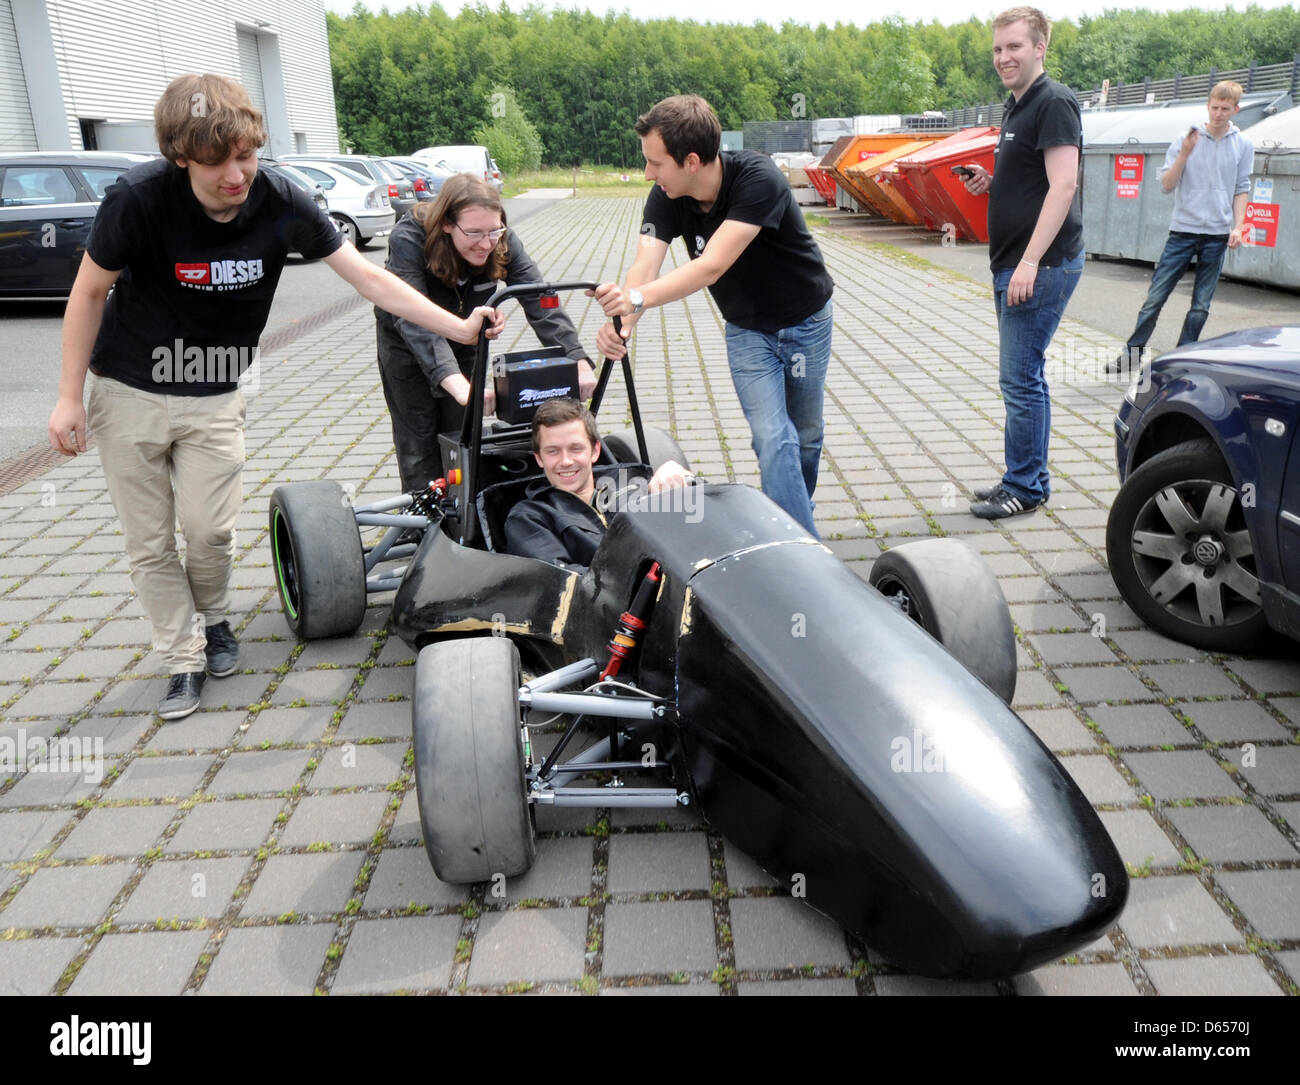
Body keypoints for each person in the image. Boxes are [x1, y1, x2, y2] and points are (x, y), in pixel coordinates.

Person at [46, 74, 501, 721]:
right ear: (182, 158)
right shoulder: (139, 200)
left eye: (247, 156)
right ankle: (181, 657)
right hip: (129, 391)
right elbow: (89, 294)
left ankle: (215, 617)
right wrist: (69, 397)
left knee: (207, 533)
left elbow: (368, 276)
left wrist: (457, 328)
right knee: (149, 542)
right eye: (218, 162)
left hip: (217, 391)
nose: (237, 174)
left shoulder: (280, 198)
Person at [590, 94, 834, 538]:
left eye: (655, 163)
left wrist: (637, 301)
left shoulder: (759, 179)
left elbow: (711, 266)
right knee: (774, 440)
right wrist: (620, 326)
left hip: (805, 322)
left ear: (692, 161)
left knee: (806, 438)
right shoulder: (666, 196)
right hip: (747, 331)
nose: (648, 174)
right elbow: (644, 267)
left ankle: (793, 507)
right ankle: (802, 548)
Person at [377, 174, 597, 492]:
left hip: (467, 339)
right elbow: (413, 320)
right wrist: (460, 387)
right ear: (447, 224)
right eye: (475, 233)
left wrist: (576, 358)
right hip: (406, 343)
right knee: (419, 441)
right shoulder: (409, 238)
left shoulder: (499, 239)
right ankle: (423, 525)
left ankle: (466, 512)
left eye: (494, 230)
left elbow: (540, 298)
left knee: (463, 434)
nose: (486, 243)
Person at [959, 6, 1084, 520]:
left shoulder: (1053, 103)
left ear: (1040, 47)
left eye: (1014, 46)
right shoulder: (1018, 107)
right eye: (997, 48)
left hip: (1040, 265)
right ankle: (1026, 476)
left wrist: (1031, 261)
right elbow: (1033, 179)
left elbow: (1065, 183)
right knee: (1024, 377)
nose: (1003, 57)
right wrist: (990, 185)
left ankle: (1025, 488)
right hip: (1014, 261)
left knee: (1020, 379)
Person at [1108, 81, 1253, 374]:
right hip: (1183, 232)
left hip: (1217, 235)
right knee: (1155, 297)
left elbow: (1241, 188)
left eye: (1225, 109)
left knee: (1201, 305)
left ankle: (1182, 359)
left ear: (1235, 110)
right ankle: (1133, 354)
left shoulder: (1243, 145)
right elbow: (1166, 184)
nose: (1218, 114)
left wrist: (1238, 226)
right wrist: (1186, 153)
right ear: (1207, 105)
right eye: (1214, 107)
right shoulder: (1184, 139)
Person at [505, 398, 692, 568]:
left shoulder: (632, 483)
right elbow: (559, 580)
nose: (566, 461)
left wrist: (678, 476)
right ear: (539, 458)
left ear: (595, 451)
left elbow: (702, 514)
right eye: (553, 451)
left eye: (575, 448)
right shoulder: (529, 517)